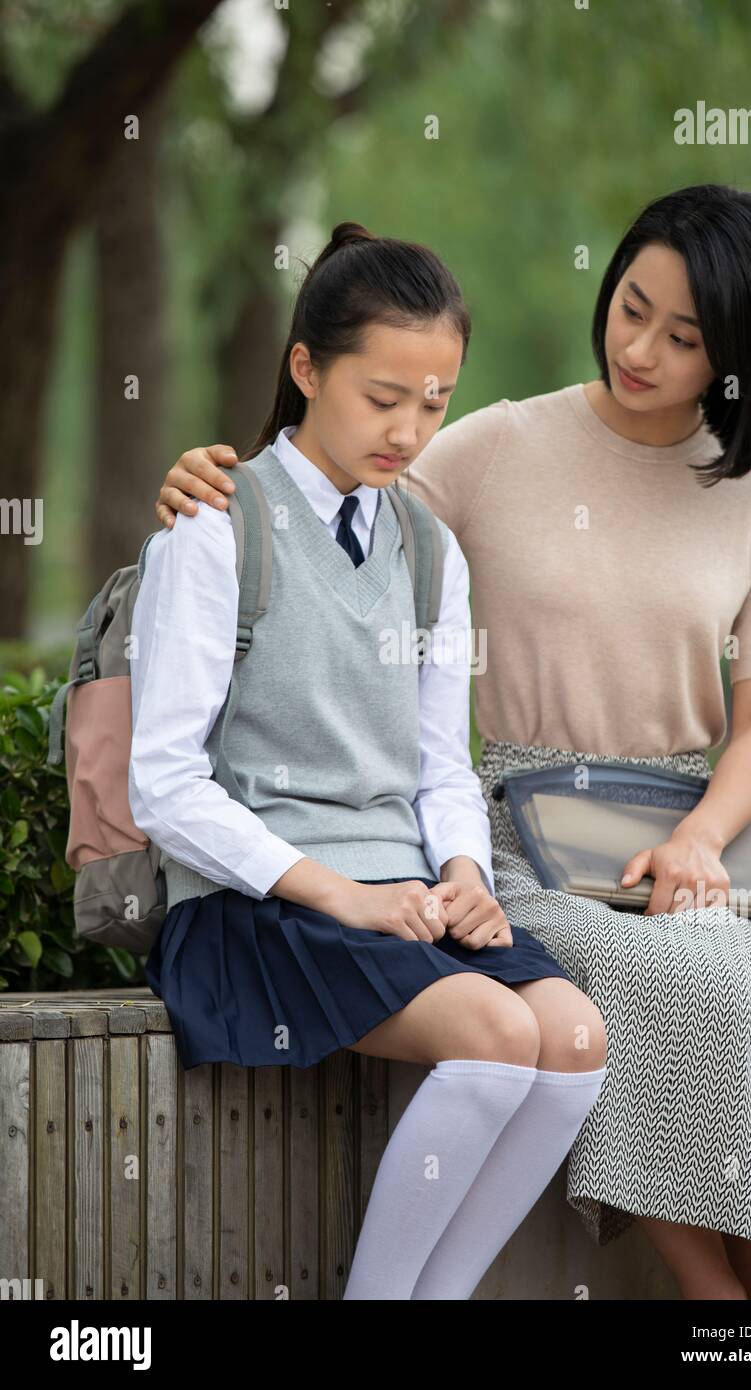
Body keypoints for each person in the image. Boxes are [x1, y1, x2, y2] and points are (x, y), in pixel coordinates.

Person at [154, 186, 751, 1301]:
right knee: (627, 990)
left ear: (740, 354)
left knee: (688, 980)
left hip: (684, 834)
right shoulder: (496, 442)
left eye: (683, 336)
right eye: (630, 306)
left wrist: (702, 838)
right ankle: (732, 1307)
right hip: (524, 823)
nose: (638, 346)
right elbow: (323, 500)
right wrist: (193, 483)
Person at [129, 222, 608, 1302]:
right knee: (494, 1034)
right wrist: (340, 892)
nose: (408, 427)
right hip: (257, 898)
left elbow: (441, 763)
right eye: (382, 395)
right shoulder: (215, 528)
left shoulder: (430, 553)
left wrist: (465, 881)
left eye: (434, 401)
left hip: (399, 898)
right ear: (306, 367)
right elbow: (163, 786)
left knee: (572, 1036)